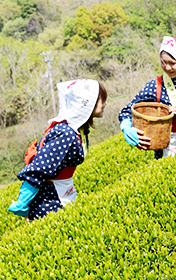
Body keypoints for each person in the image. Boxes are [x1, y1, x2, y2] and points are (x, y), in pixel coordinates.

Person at [9, 79, 107, 220]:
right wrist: (23, 201)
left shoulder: (77, 130)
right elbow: (40, 167)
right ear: (87, 103)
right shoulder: (66, 134)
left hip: (62, 192)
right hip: (50, 200)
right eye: (102, 100)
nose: (104, 104)